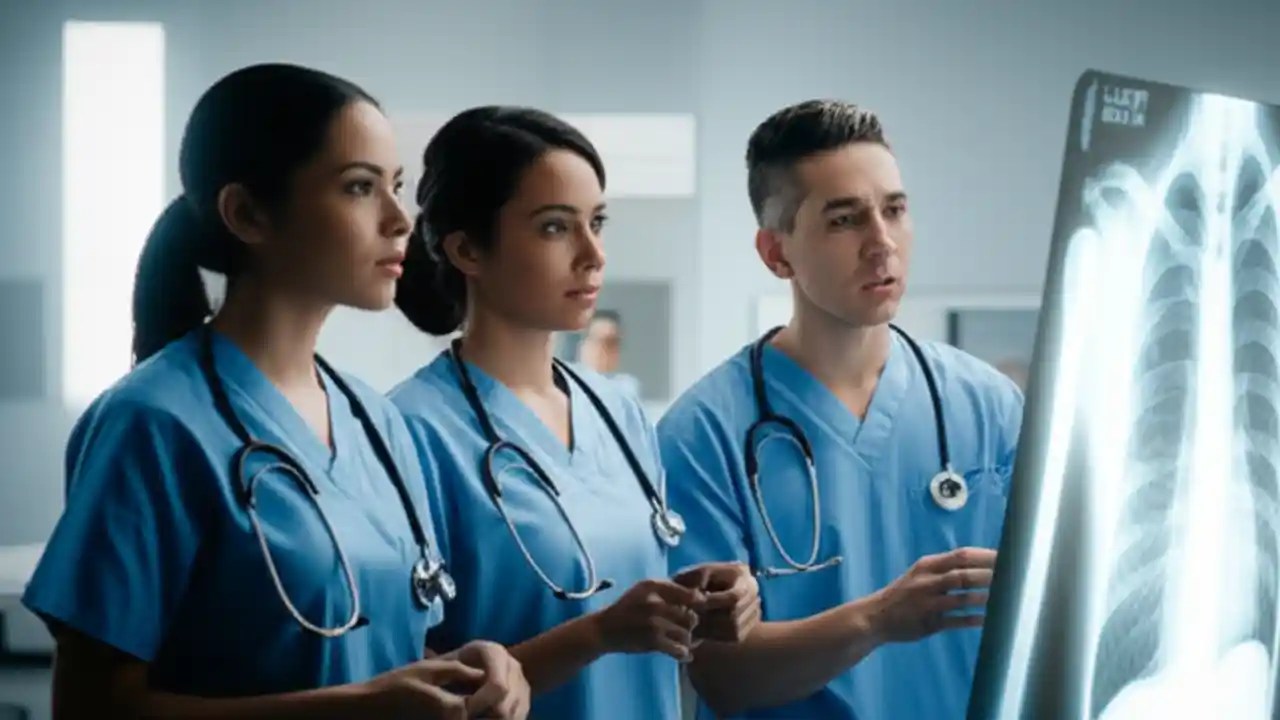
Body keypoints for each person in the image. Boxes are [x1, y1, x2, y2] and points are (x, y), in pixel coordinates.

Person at [22, 64, 529, 719]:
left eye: (397, 187)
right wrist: (350, 709)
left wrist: (479, 661)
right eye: (359, 187)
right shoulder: (153, 423)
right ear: (248, 213)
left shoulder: (379, 424)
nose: (401, 219)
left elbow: (388, 647)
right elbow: (92, 707)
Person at [389, 106, 762, 720]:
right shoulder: (411, 430)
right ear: (466, 250)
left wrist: (703, 595)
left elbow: (629, 591)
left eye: (597, 222)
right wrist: (596, 635)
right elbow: (419, 688)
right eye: (555, 228)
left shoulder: (618, 410)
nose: (593, 254)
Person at [657, 100, 1024, 720]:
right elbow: (722, 676)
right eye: (844, 220)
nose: (882, 243)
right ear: (777, 254)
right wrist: (878, 620)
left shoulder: (986, 405)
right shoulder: (703, 434)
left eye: (895, 210)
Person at [575, 310, 642, 398]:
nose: (603, 348)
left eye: (611, 342)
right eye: (598, 340)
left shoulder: (627, 387)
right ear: (583, 345)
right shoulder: (564, 384)